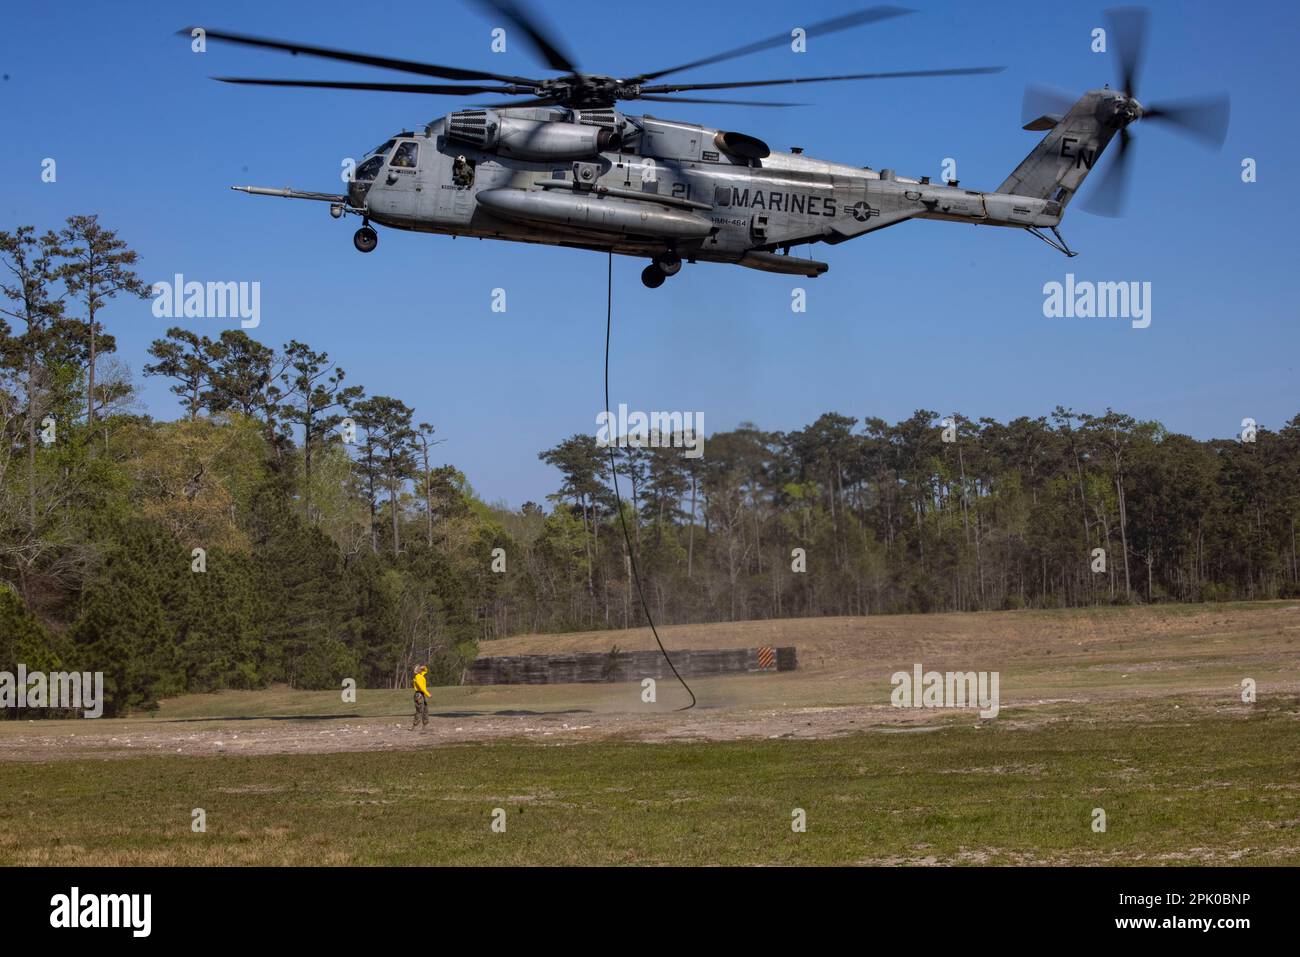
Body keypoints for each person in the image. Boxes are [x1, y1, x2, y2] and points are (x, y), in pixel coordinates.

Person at [412, 664, 430, 730]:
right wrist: (428, 694)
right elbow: (421, 687)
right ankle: (415, 725)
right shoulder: (417, 676)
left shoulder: (421, 675)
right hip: (418, 694)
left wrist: (423, 667)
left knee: (425, 709)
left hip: (422, 694)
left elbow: (426, 670)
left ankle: (425, 725)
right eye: (419, 668)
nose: (420, 669)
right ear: (417, 670)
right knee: (419, 710)